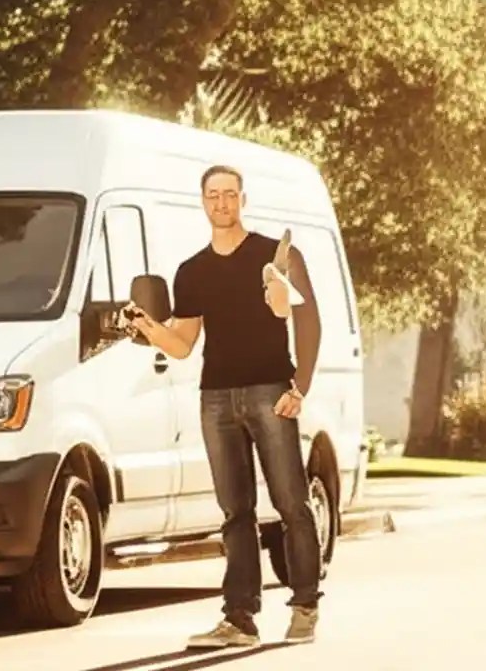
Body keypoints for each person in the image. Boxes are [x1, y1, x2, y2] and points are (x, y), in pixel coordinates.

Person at [125, 164, 324, 647]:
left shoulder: (276, 254)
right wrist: (148, 326)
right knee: (235, 512)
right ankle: (240, 619)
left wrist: (299, 387)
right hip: (216, 398)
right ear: (203, 201)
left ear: (243, 199)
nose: (221, 203)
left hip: (270, 392)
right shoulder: (191, 272)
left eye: (229, 195)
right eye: (213, 195)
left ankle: (304, 606)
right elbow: (183, 344)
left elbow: (307, 320)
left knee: (292, 504)